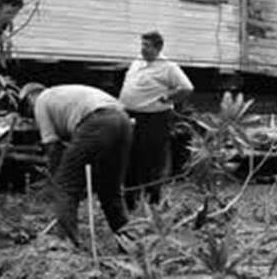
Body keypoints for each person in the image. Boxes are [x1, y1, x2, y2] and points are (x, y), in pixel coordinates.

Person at [20, 82, 133, 246]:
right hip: (123, 120)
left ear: (29, 99)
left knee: (65, 185)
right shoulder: (61, 96)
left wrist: (56, 179)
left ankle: (66, 243)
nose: (32, 116)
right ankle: (129, 241)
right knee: (110, 189)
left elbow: (52, 147)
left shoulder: (41, 101)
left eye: (28, 111)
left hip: (96, 122)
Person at [118, 30, 194, 210]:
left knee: (152, 160)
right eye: (142, 45)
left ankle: (153, 202)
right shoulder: (137, 62)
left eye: (147, 46)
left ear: (158, 48)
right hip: (131, 115)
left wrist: (168, 99)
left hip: (154, 119)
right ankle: (130, 201)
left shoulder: (168, 67)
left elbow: (186, 88)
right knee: (130, 158)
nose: (143, 49)